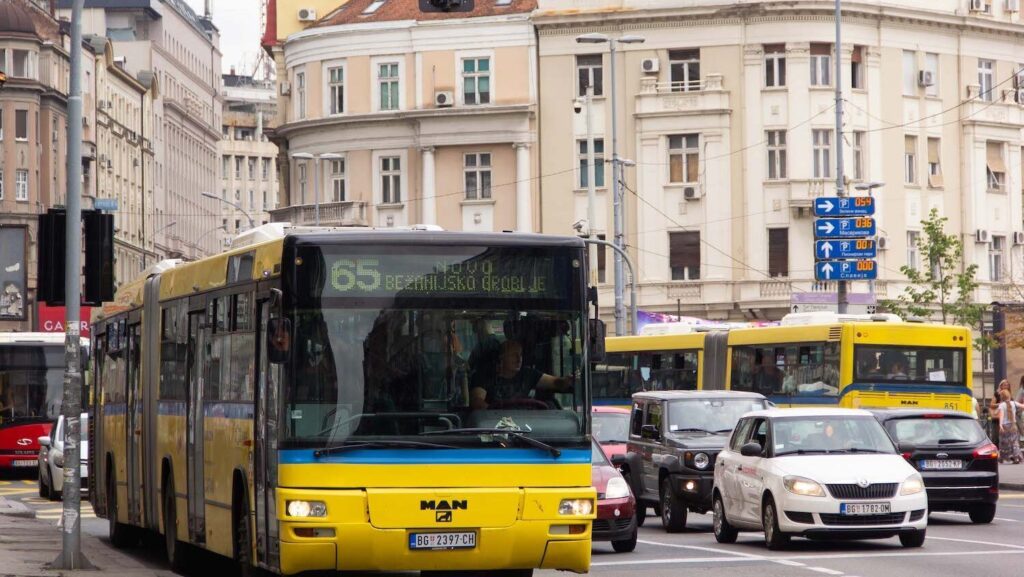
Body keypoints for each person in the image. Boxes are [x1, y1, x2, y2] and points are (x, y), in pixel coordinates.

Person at [470, 340, 572, 410]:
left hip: (524, 423)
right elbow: (477, 403)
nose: (519, 359)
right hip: (496, 427)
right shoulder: (484, 376)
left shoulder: (528, 374)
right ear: (501, 358)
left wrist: (567, 380)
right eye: (514, 355)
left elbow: (556, 382)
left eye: (520, 355)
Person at [995, 389, 1024, 464]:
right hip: (1013, 425)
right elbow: (1022, 406)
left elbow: (1001, 416)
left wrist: (1000, 425)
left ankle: (1003, 457)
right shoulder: (1014, 403)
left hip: (1004, 426)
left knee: (1004, 442)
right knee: (1014, 442)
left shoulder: (1001, 405)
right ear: (1009, 396)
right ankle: (1016, 457)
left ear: (1001, 397)